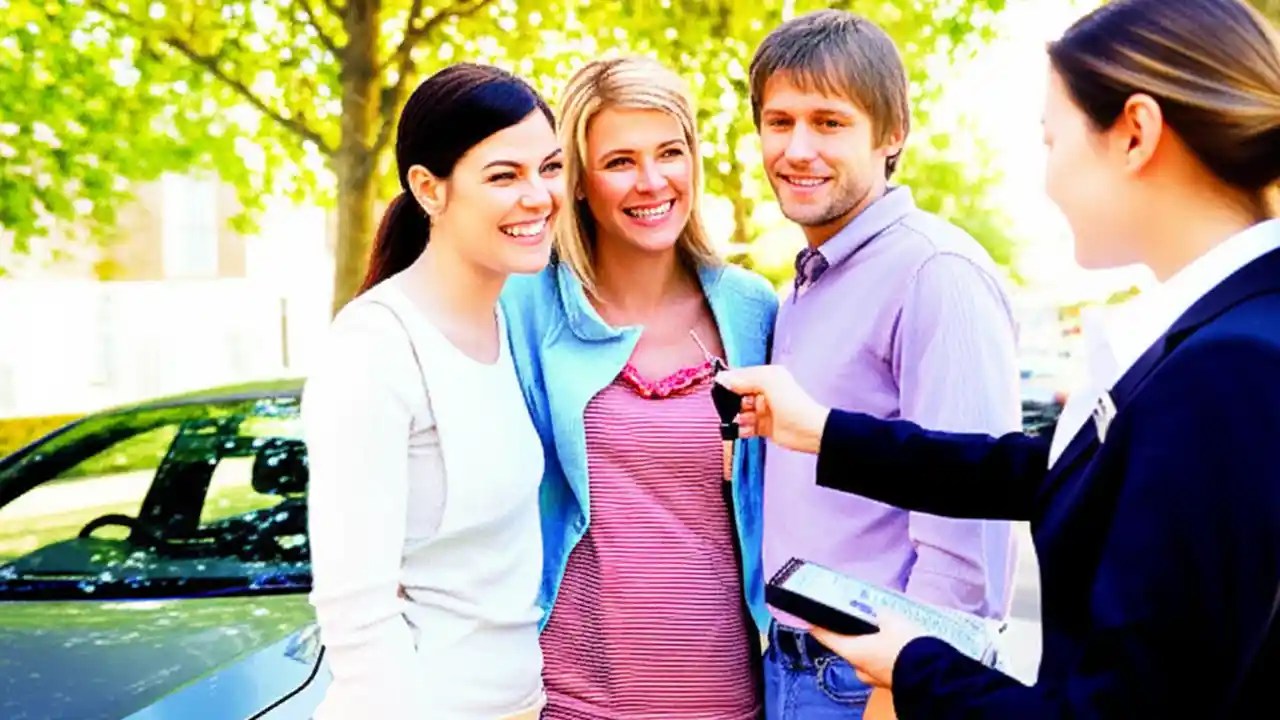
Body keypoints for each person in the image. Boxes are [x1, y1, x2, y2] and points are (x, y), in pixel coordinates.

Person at [717, 0, 1280, 716]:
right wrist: (822, 431)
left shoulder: (1229, 368)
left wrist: (912, 665)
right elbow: (1033, 472)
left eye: (1050, 141)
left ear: (1135, 133)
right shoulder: (1219, 332)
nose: (1044, 179)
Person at [746, 10, 1021, 718]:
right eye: (779, 122)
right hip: (793, 665)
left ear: (892, 133)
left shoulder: (934, 272)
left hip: (868, 681)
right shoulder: (809, 279)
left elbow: (970, 528)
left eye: (828, 122)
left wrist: (897, 692)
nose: (797, 148)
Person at [500, 55, 778, 719]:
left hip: (726, 695)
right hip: (571, 698)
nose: (652, 181)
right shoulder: (526, 306)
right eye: (620, 161)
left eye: (670, 153)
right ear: (578, 181)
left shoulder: (752, 310)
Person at [301, 63, 565, 720]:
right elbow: (355, 612)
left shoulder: (507, 319)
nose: (538, 195)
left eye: (551, 168)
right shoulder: (375, 347)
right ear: (429, 188)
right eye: (504, 175)